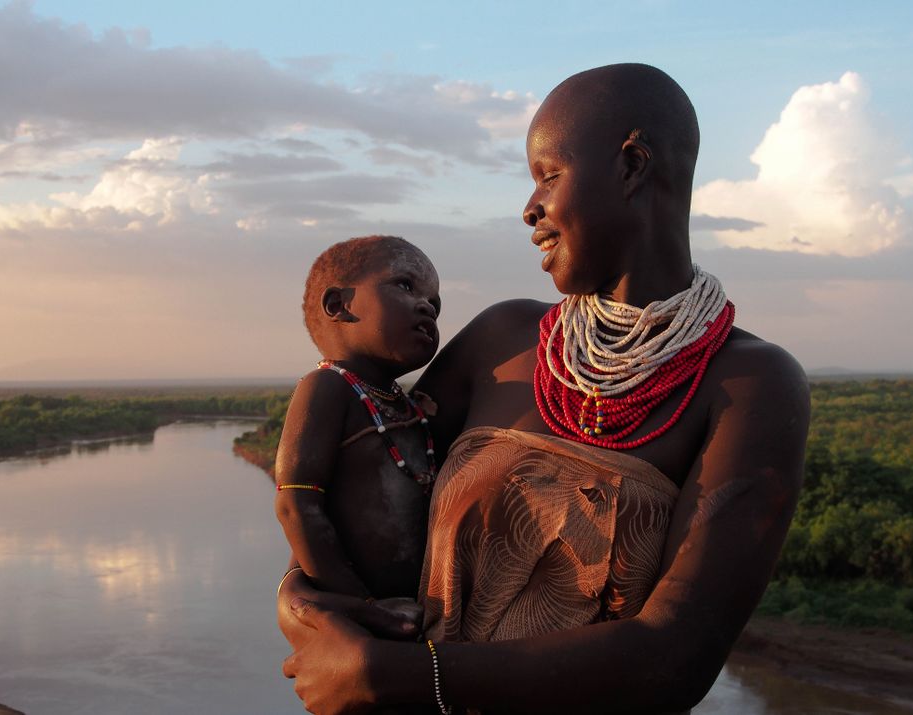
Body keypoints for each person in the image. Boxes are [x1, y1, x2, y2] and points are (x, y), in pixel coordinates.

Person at [279, 64, 810, 715]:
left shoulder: (751, 384)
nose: (529, 208)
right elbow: (365, 493)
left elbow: (676, 655)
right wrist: (302, 593)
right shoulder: (500, 339)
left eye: (548, 176)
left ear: (632, 166)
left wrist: (407, 675)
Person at [274, 235, 442, 624]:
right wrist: (365, 608)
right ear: (339, 305)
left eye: (435, 304)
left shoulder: (407, 405)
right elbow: (295, 504)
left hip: (418, 607)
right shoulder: (326, 388)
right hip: (362, 610)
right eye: (406, 286)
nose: (426, 307)